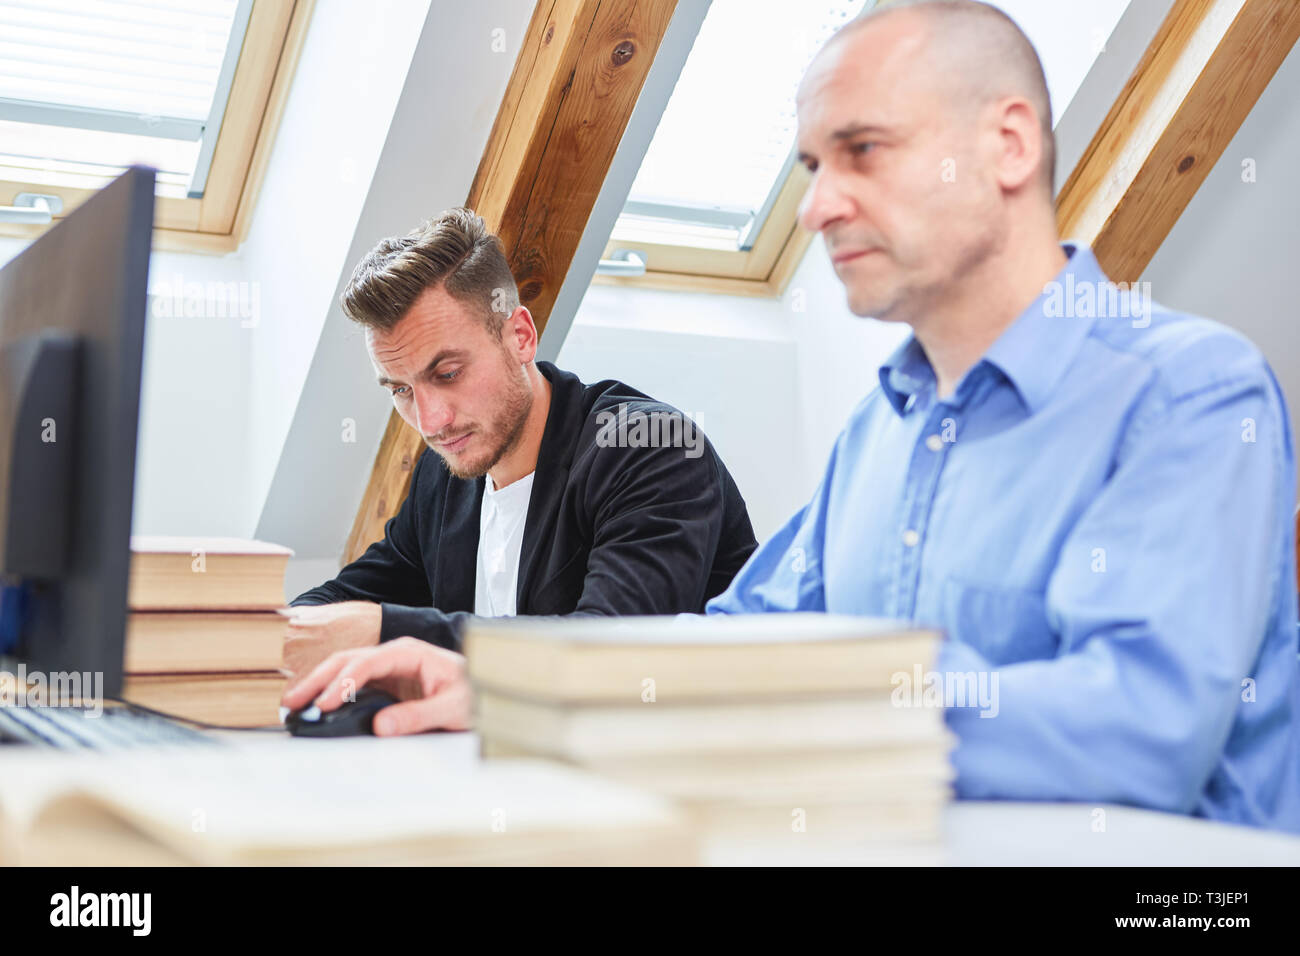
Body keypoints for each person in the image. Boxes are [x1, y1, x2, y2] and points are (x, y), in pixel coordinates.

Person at [706, 0, 1298, 831]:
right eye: (810, 168)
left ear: (1009, 146)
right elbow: (741, 640)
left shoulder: (1191, 394)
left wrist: (834, 699)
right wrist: (513, 686)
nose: (816, 208)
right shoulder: (880, 426)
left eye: (863, 151)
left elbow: (1141, 730)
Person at [280, 208, 757, 734]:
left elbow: (610, 649)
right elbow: (360, 592)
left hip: (676, 778)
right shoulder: (446, 473)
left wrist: (381, 629)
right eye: (400, 389)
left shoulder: (653, 449)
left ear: (521, 336)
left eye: (448, 373)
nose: (430, 420)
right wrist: (288, 629)